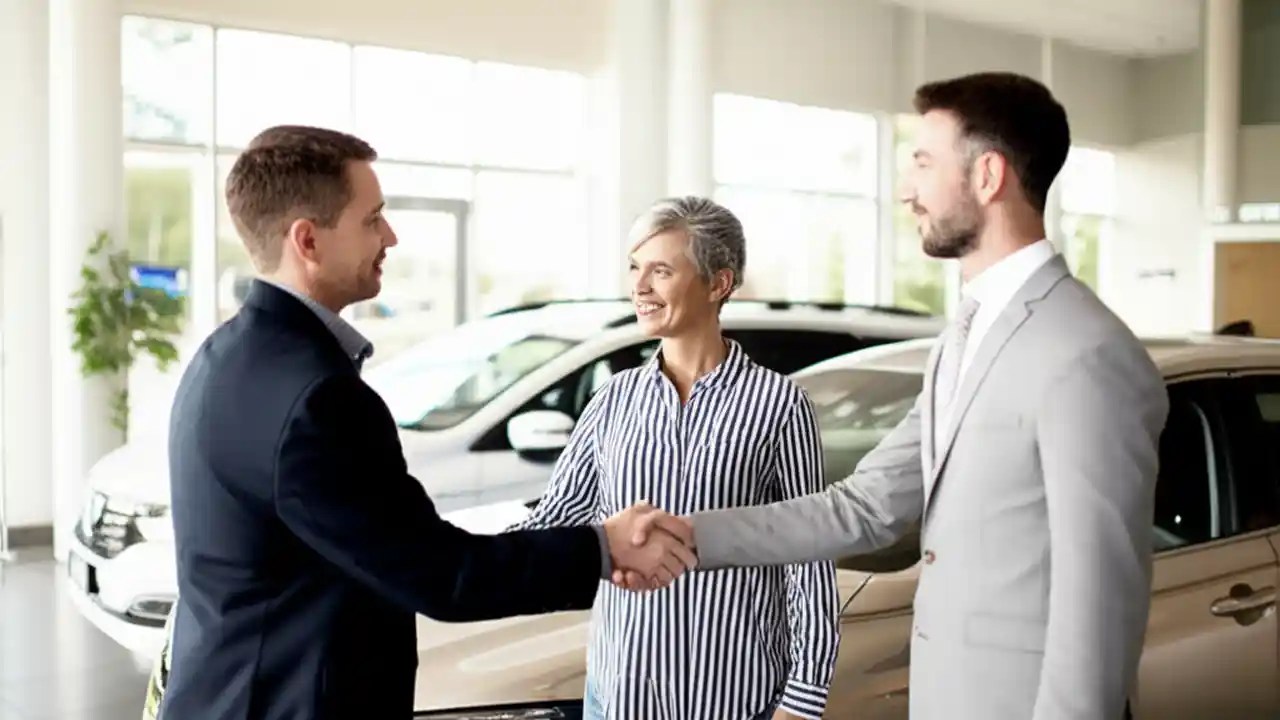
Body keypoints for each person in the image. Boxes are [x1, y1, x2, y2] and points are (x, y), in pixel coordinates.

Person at [622, 73, 1169, 719]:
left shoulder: (1085, 351)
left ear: (987, 176)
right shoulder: (963, 337)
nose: (907, 191)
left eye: (923, 163)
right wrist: (686, 536)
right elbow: (864, 507)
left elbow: (1100, 598)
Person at [153, 125, 695, 720]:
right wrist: (601, 547)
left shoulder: (221, 358)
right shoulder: (319, 399)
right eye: (372, 219)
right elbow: (441, 575)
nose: (390, 236)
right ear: (307, 240)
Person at [508, 197, 840, 720]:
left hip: (737, 699)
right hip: (620, 697)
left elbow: (809, 554)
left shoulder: (778, 404)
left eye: (661, 270)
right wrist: (434, 553)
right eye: (636, 268)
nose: (639, 287)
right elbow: (553, 521)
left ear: (718, 283)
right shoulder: (614, 401)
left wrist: (802, 699)